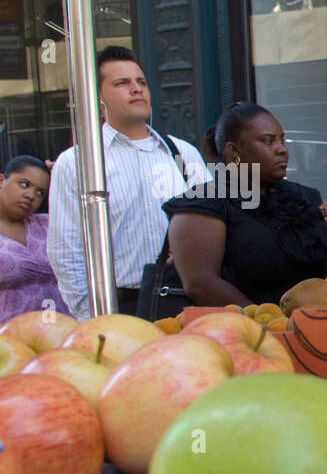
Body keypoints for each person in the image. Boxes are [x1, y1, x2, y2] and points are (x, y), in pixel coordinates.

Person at [46, 45, 211, 318]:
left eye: (141, 82)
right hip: (118, 308)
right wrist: (93, 317)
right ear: (97, 97)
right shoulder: (78, 162)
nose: (136, 89)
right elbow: (66, 251)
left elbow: (213, 226)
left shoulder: (182, 153)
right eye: (122, 83)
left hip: (184, 300)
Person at [164, 102, 327, 307]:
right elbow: (200, 284)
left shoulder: (306, 197)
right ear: (234, 152)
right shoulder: (203, 204)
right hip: (244, 332)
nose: (281, 149)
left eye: (282, 140)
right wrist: (265, 324)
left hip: (323, 327)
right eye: (268, 141)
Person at [0, 156, 67, 320]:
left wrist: (66, 176)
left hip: (62, 332)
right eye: (24, 184)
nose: (31, 195)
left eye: (40, 192)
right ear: (1, 181)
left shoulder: (48, 224)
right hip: (8, 339)